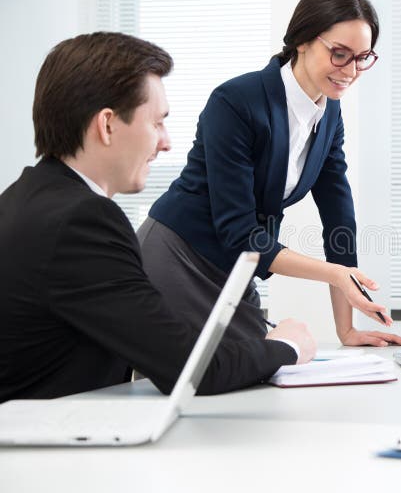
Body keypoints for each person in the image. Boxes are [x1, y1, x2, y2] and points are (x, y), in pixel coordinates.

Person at [0, 32, 316, 404]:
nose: (165, 142)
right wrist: (287, 345)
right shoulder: (83, 221)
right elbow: (192, 371)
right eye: (157, 123)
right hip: (44, 451)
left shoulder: (21, 199)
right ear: (107, 125)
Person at [138, 0, 401, 348]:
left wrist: (345, 329)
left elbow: (338, 219)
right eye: (340, 54)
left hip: (236, 266)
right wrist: (335, 274)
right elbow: (237, 229)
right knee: (208, 376)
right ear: (302, 40)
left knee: (254, 370)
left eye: (363, 57)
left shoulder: (329, 112)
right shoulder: (236, 102)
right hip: (178, 253)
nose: (352, 70)